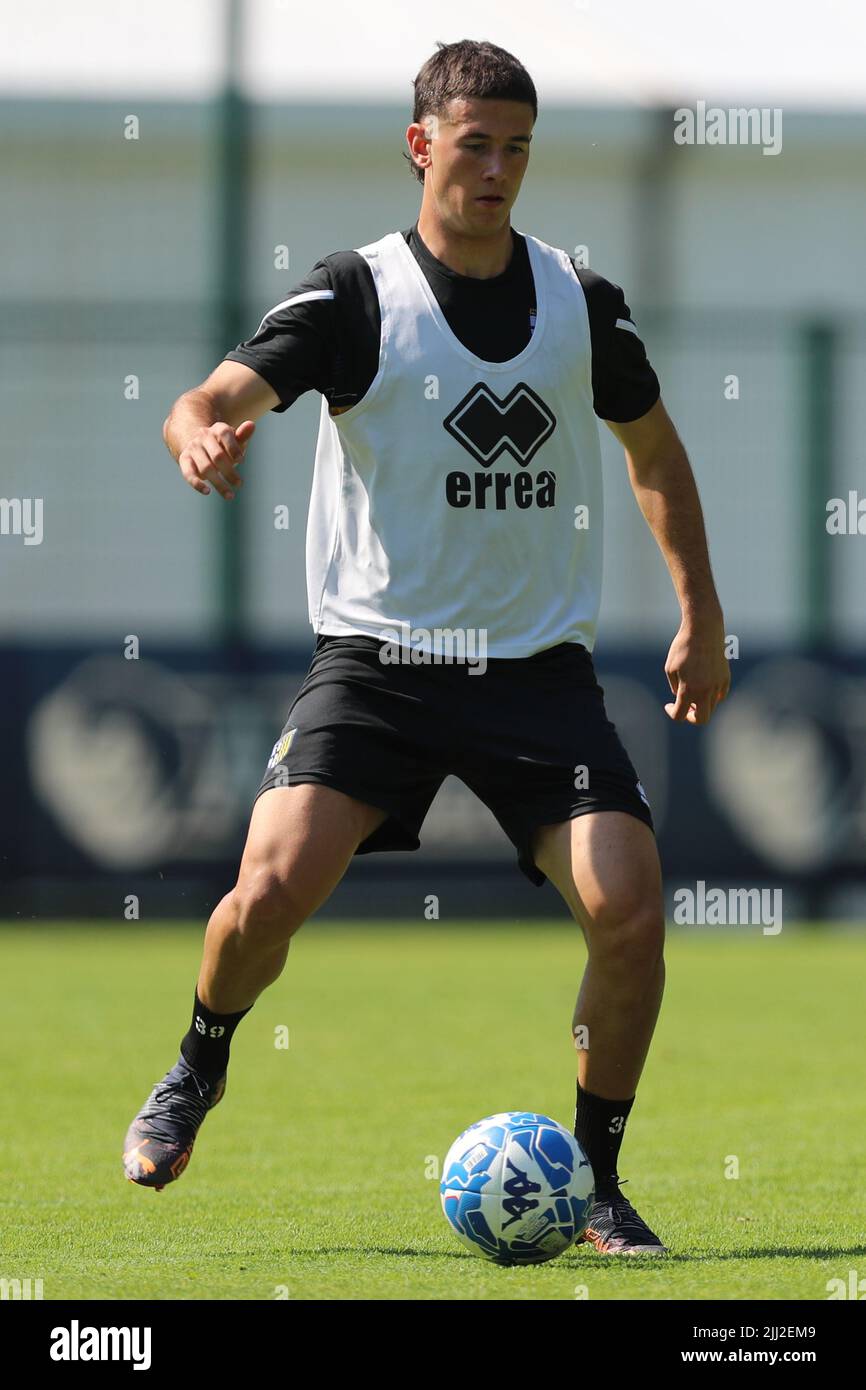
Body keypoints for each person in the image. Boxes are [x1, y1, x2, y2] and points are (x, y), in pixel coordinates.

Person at [123, 39, 730, 1256]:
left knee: (629, 913)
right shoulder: (353, 297)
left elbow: (653, 455)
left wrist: (700, 615)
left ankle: (598, 1183)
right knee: (268, 894)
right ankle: (200, 1060)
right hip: (378, 663)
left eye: (517, 147)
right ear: (421, 146)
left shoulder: (577, 301)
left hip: (535, 674)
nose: (497, 168)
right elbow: (207, 398)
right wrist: (196, 436)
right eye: (473, 144)